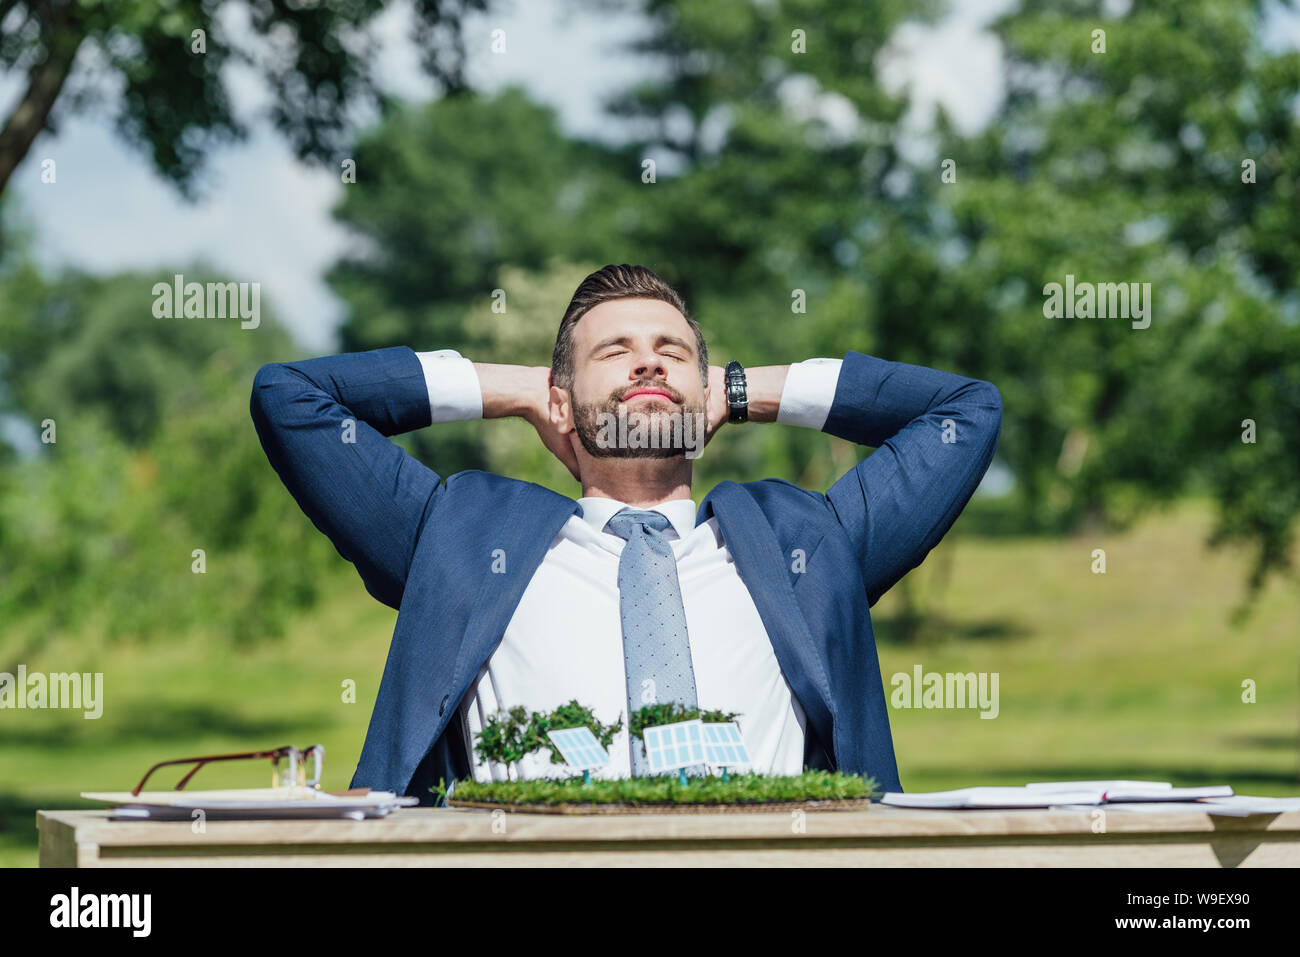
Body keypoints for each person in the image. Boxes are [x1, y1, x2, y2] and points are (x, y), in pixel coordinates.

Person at [250, 264, 1002, 803]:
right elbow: (291, 398)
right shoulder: (460, 536)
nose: (648, 358)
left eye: (672, 352)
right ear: (561, 399)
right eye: (615, 351)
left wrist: (741, 391)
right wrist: (520, 390)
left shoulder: (810, 544)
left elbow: (965, 414)